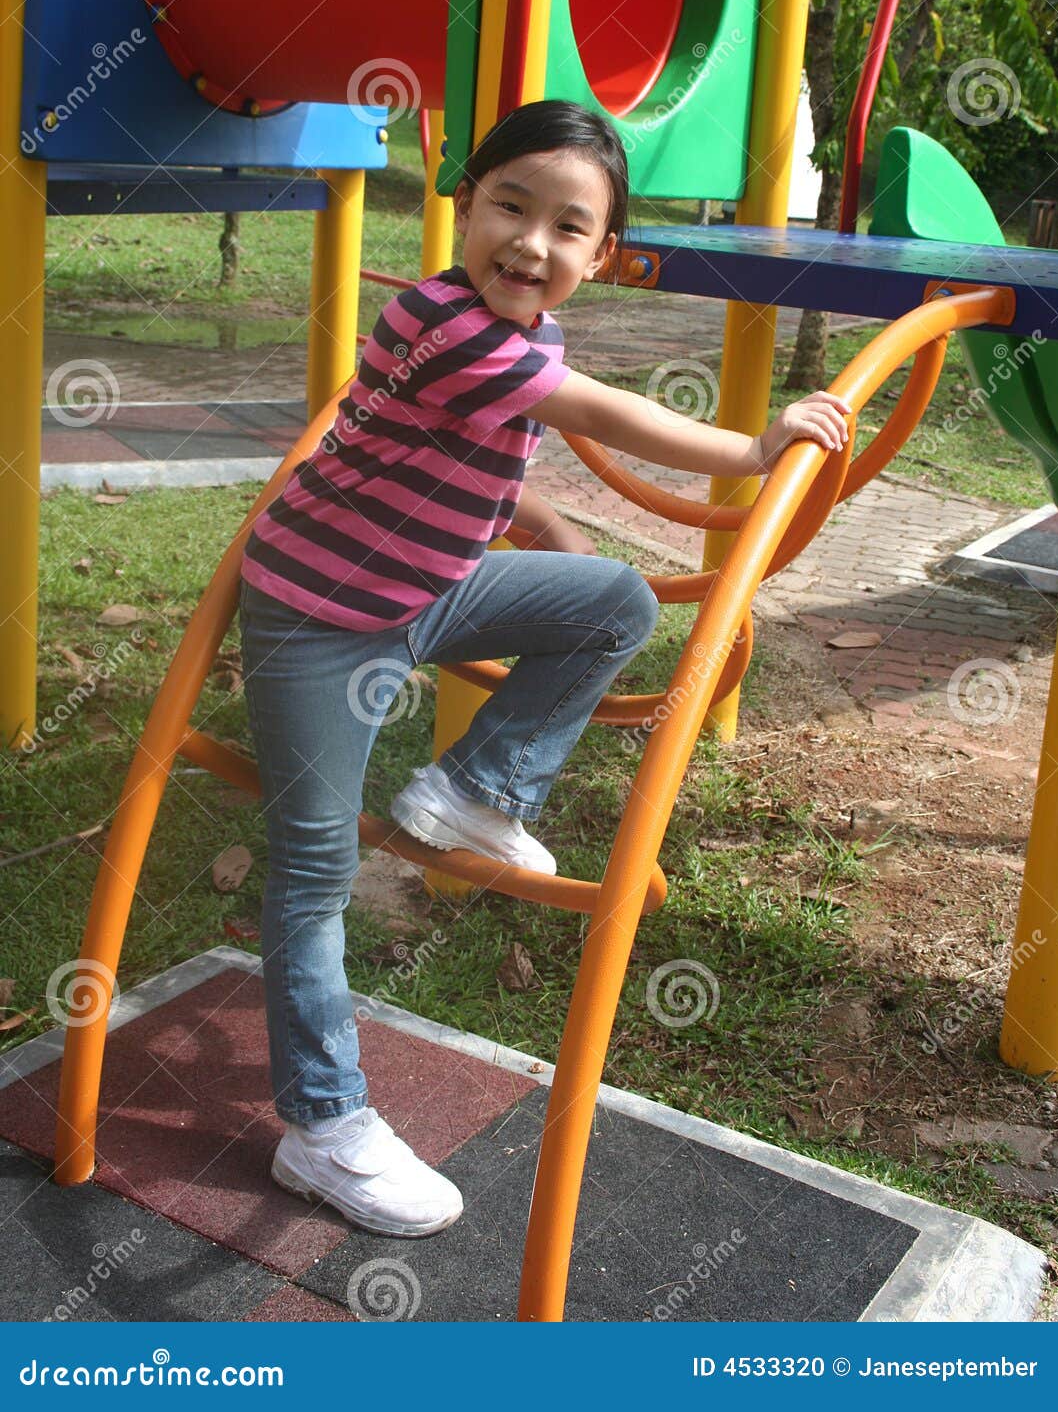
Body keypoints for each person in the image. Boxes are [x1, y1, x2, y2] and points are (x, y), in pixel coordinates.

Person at [238, 98, 851, 1239]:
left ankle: (475, 788)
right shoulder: (453, 320)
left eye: (568, 227)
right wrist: (755, 448)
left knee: (614, 598)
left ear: (600, 253)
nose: (530, 243)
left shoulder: (511, 328)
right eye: (509, 206)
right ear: (460, 203)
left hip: (419, 595)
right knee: (313, 868)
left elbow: (432, 440)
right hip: (319, 616)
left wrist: (533, 516)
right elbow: (601, 411)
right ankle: (320, 1124)